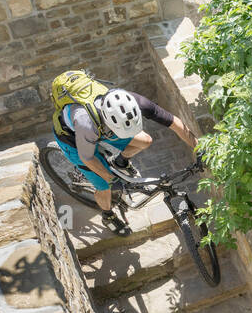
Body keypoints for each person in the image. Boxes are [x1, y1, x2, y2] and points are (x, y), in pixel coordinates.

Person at [51, 73, 197, 230]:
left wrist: (199, 148)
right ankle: (107, 215)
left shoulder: (133, 100)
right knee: (105, 187)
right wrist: (111, 179)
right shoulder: (85, 123)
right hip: (73, 140)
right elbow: (87, 157)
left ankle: (120, 161)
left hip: (102, 129)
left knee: (145, 140)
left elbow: (174, 122)